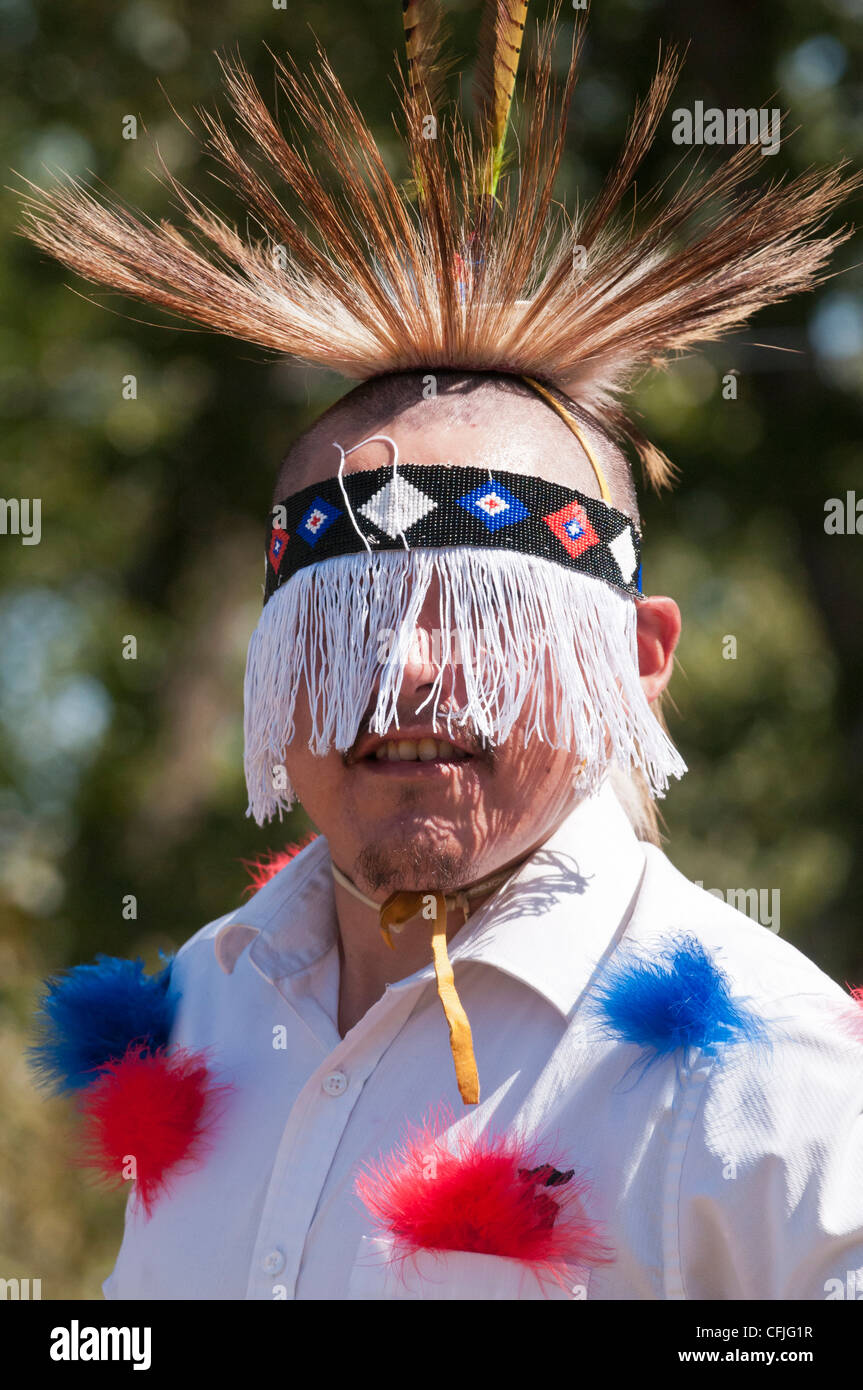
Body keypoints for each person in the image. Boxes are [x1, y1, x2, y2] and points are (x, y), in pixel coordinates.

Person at [24, 5, 863, 1300]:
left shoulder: (780, 1083)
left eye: (484, 612)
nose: (404, 669)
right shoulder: (202, 1003)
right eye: (343, 619)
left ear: (641, 659)